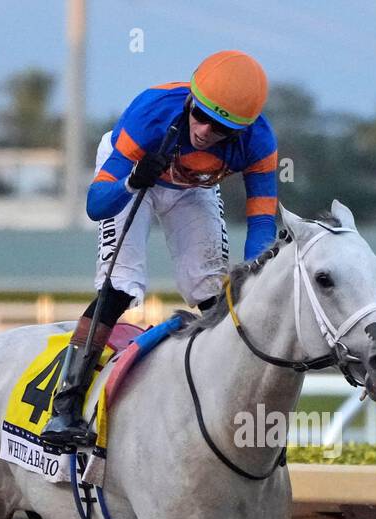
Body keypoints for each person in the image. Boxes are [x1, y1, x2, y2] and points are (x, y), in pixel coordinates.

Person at [41, 49, 279, 451]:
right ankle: (65, 406)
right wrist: (134, 182)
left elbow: (261, 224)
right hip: (133, 180)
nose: (204, 130)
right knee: (120, 285)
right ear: (191, 100)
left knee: (211, 290)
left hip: (193, 189)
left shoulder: (259, 143)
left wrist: (257, 271)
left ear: (241, 132)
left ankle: (232, 402)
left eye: (219, 128)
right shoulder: (151, 114)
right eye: (200, 115)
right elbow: (97, 205)